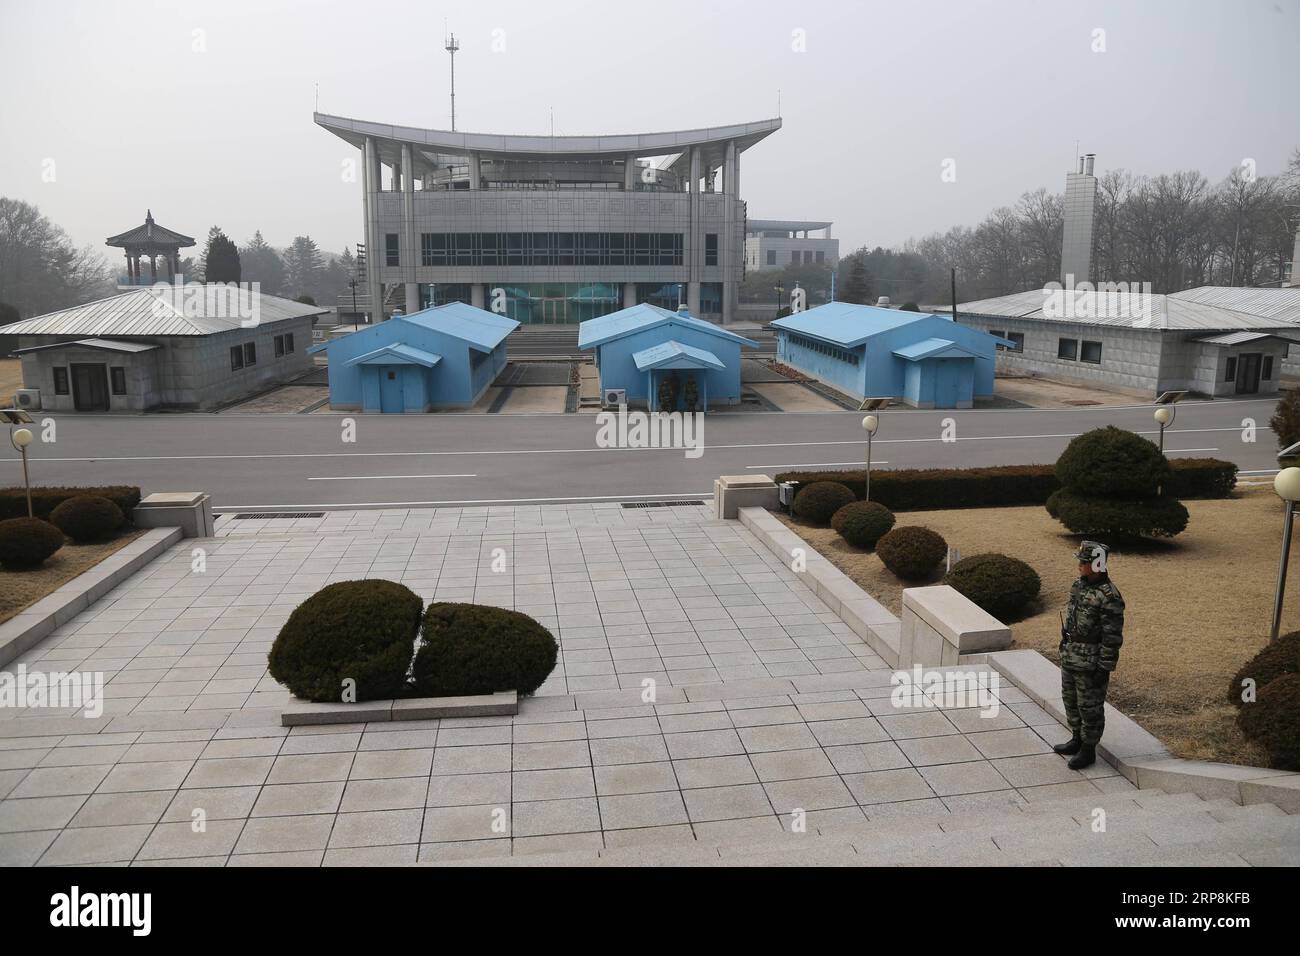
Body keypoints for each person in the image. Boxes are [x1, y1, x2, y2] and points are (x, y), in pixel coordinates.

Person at [1054, 540, 1125, 769]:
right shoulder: (1078, 585)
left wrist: (1104, 668)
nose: (1079, 565)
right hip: (1071, 654)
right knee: (1070, 700)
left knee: (1090, 707)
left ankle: (1088, 749)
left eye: (1083, 562)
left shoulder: (1109, 596)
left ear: (1096, 565)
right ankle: (1076, 738)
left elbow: (1112, 637)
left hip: (1091, 662)